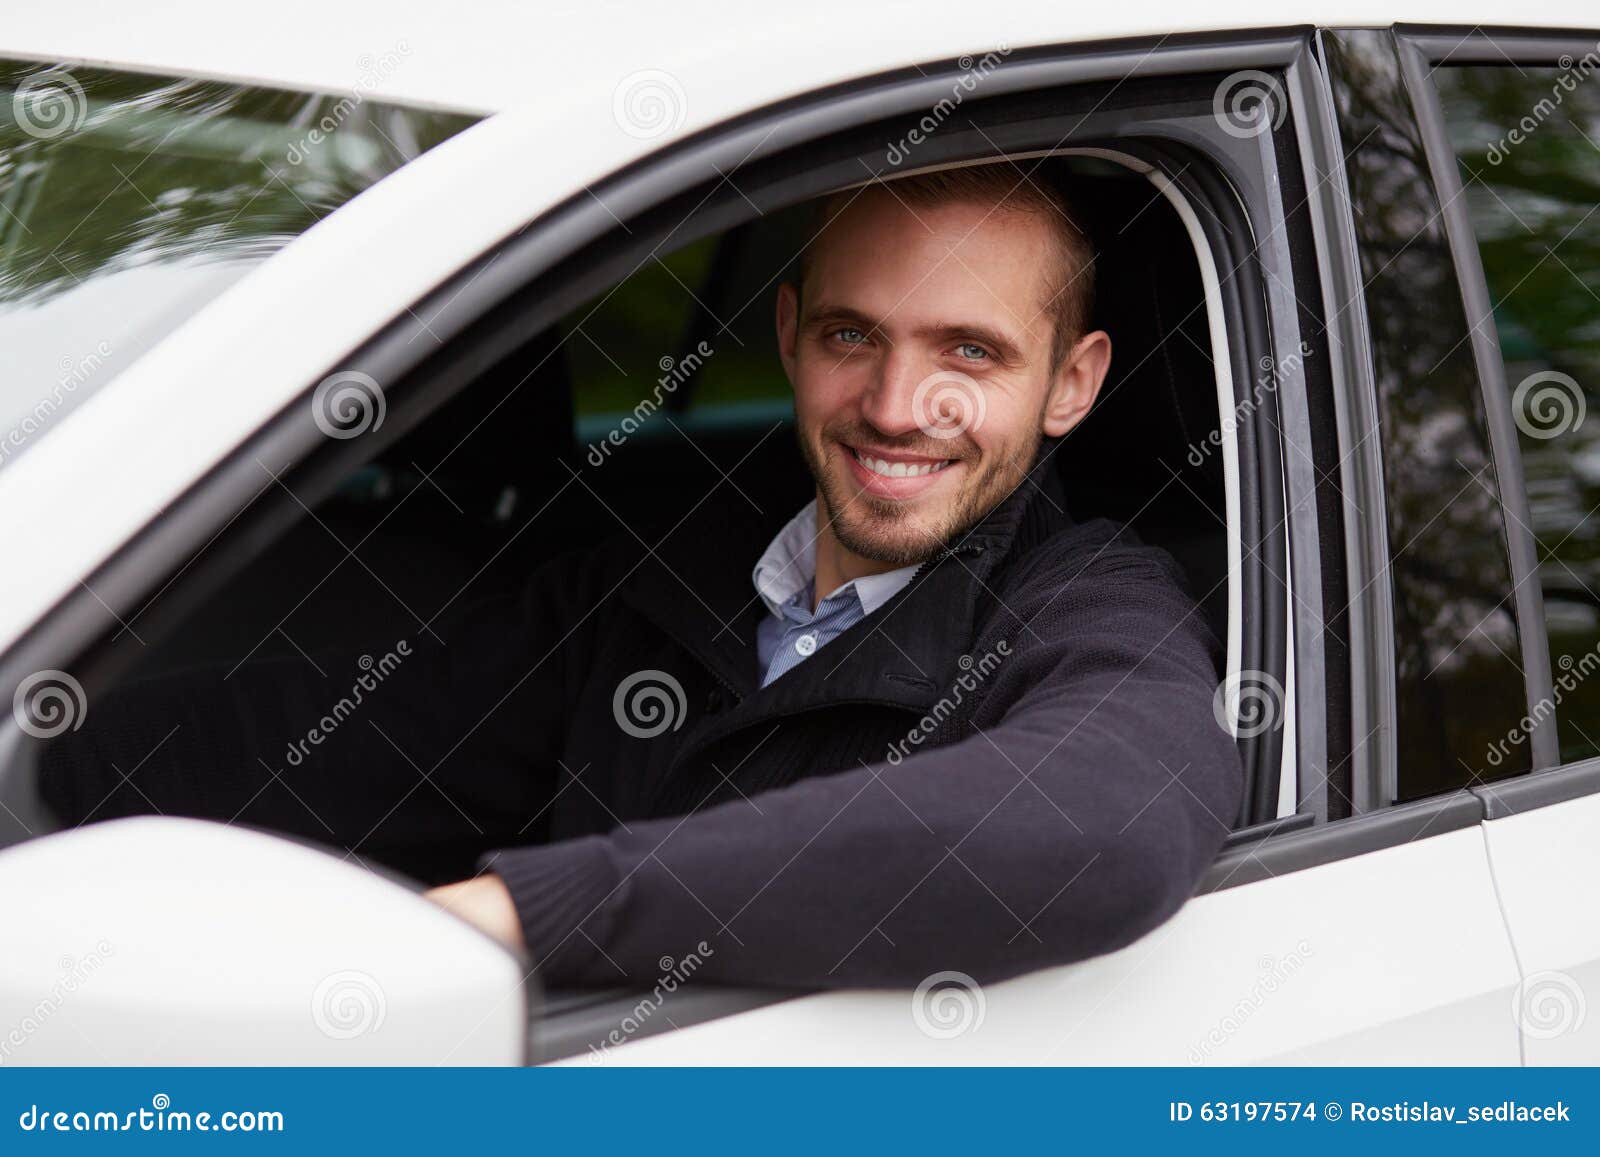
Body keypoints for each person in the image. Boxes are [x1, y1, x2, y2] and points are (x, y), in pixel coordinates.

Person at [41, 163, 1242, 989]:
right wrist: (44, 760)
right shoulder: (663, 582)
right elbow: (322, 738)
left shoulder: (1089, 601)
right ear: (787, 337)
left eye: (968, 353)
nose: (892, 405)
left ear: (1072, 384)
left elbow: (1108, 826)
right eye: (850, 335)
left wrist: (521, 914)